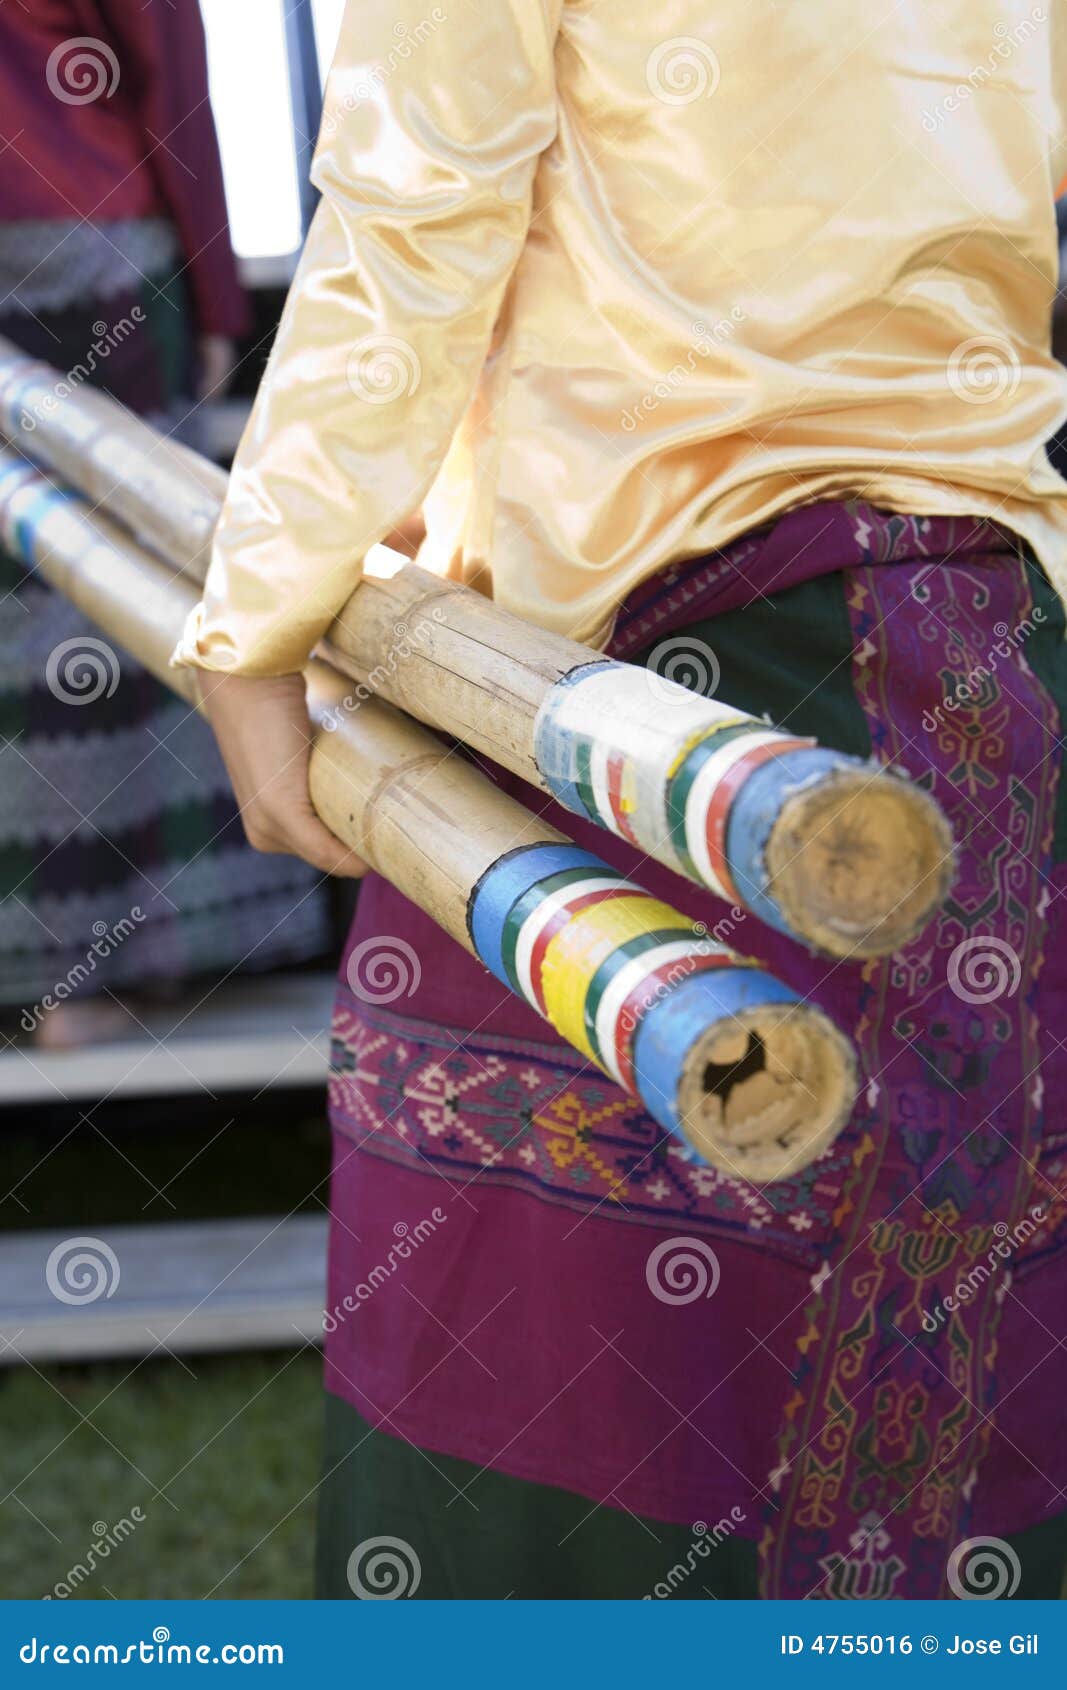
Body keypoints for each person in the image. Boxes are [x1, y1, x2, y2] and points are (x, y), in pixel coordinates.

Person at [179, 4, 1067, 1599]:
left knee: (568, 1437)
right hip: (968, 655)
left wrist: (256, 621)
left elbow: (417, 209)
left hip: (635, 693)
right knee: (952, 1402)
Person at [0, 0, 329, 1035]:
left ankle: (48, 966)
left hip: (60, 245)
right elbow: (173, 89)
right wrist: (219, 297)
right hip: (87, 240)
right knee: (115, 595)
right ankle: (97, 971)